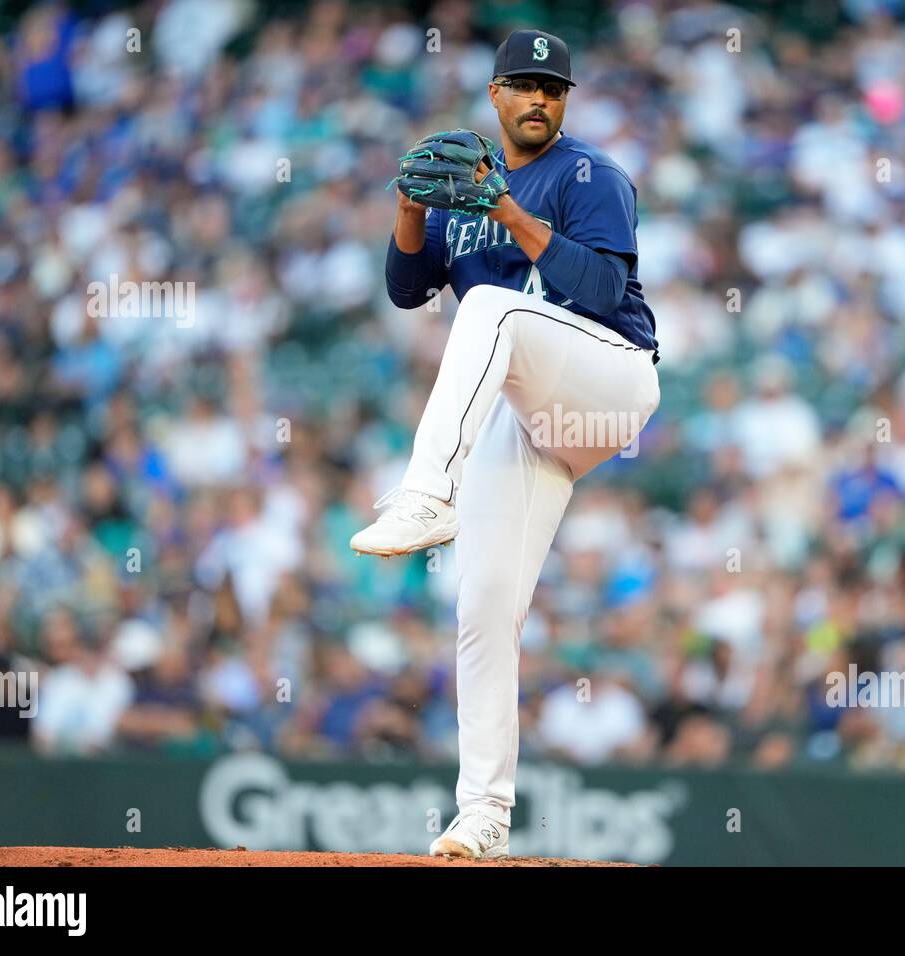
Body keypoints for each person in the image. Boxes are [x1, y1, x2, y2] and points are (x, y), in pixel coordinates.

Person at [350, 29, 661, 858]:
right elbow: (406, 290)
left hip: (608, 384)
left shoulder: (590, 176)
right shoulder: (462, 189)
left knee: (491, 309)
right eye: (523, 84)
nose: (538, 99)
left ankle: (424, 492)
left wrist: (510, 213)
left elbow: (601, 287)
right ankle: (483, 815)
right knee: (483, 608)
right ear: (494, 94)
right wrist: (411, 213)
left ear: (566, 101)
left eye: (552, 88)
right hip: (531, 419)